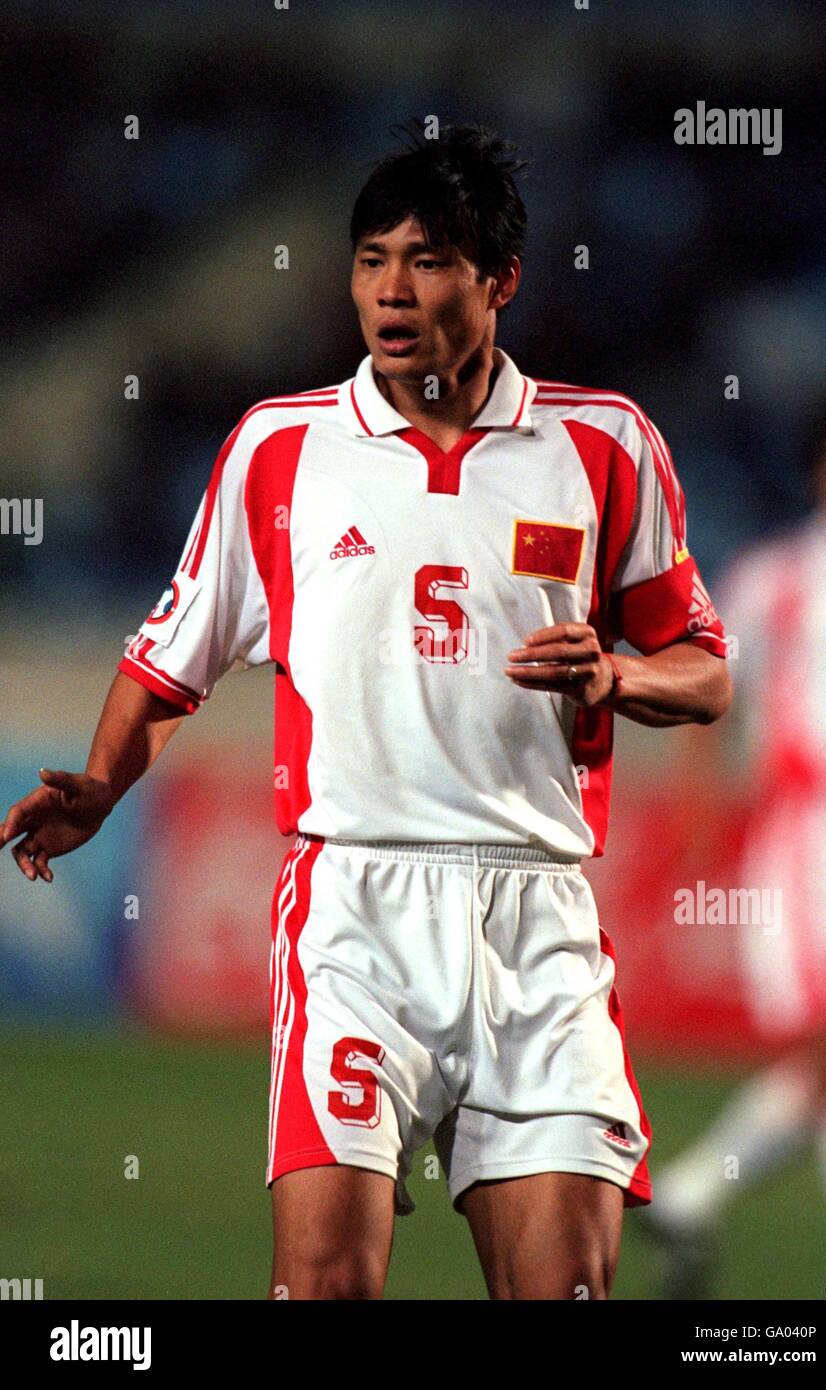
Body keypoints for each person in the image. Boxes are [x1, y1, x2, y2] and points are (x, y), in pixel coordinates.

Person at [0, 121, 731, 1300]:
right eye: (370, 258)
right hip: (352, 908)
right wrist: (101, 783)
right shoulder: (279, 449)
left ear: (499, 281)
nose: (391, 288)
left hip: (533, 911)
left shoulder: (602, 445)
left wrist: (619, 677)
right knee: (327, 1286)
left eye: (429, 259)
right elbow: (169, 660)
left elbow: (704, 667)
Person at [644, 390, 826, 1299]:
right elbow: (711, 691)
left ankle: (692, 1192)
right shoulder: (779, 578)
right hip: (811, 840)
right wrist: (701, 812)